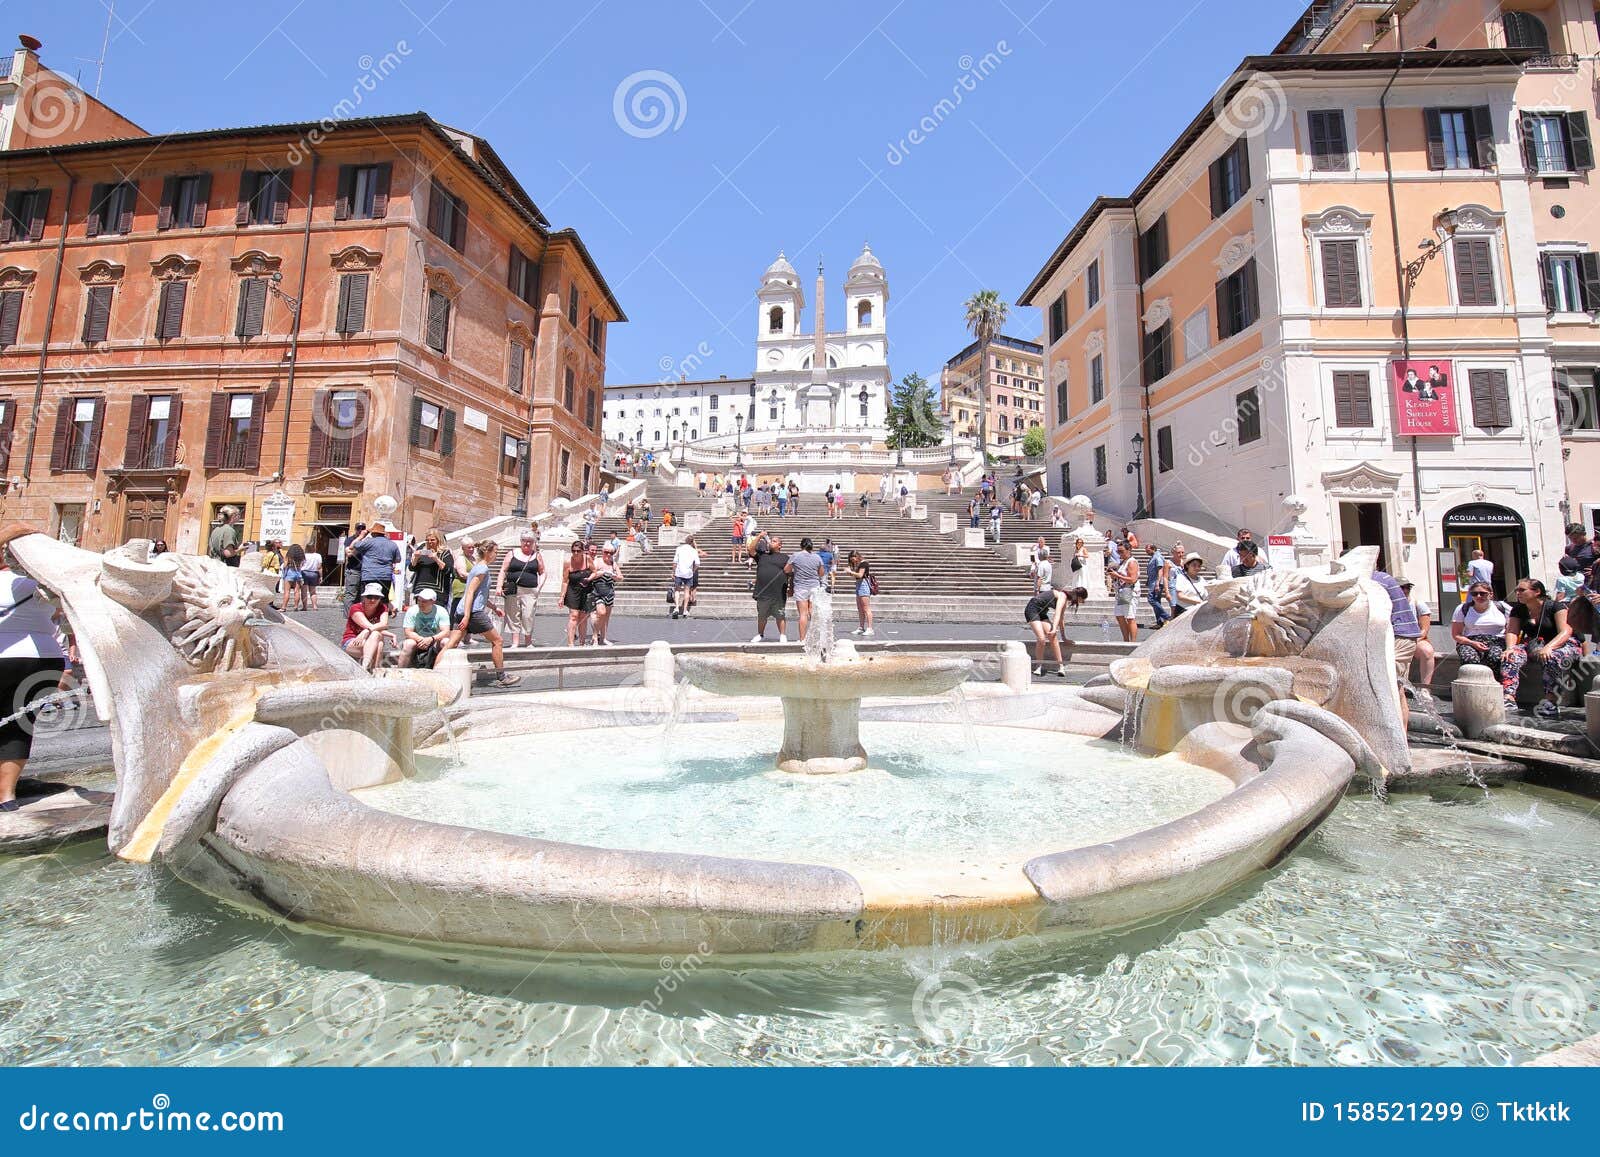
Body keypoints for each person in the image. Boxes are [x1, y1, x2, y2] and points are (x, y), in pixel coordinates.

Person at [0, 552, 69, 812]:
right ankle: (6, 797)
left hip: (3, 653)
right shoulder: (40, 585)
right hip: (46, 659)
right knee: (19, 725)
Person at [1502, 578, 1580, 717]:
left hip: (1562, 643)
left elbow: (1565, 631)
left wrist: (1550, 647)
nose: (1517, 593)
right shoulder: (1518, 609)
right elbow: (1512, 631)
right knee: (1511, 655)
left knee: (1552, 657)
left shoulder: (1555, 606)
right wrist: (1509, 648)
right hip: (1535, 644)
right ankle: (1509, 697)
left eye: (1522, 590)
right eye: (1516, 590)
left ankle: (1551, 700)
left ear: (1537, 591)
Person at [451, 542, 520, 687]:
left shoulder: (478, 567)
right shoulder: (482, 568)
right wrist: (468, 616)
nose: (497, 554)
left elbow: (479, 594)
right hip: (473, 612)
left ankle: (434, 668)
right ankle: (502, 676)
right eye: (495, 551)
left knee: (452, 643)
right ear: (488, 552)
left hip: (464, 610)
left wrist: (494, 608)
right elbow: (470, 592)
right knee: (498, 641)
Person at [1371, 569, 1422, 730]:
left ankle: (1399, 743)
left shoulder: (1373, 581)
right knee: (1396, 688)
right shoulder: (1379, 578)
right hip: (1400, 635)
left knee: (1389, 686)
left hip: (1399, 636)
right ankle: (1402, 741)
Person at [1452, 581, 1511, 679]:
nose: (1478, 596)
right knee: (1469, 659)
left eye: (1482, 593)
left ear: (1491, 594)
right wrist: (1472, 643)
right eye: (1474, 594)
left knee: (1495, 657)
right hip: (1469, 641)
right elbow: (1456, 634)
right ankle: (1471, 686)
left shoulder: (1502, 607)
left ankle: (1494, 684)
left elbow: (1512, 628)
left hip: (1497, 641)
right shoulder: (1463, 608)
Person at [497, 531, 544, 648]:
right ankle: (515, 642)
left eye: (530, 541)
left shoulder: (536, 555)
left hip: (530, 590)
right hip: (513, 589)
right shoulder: (511, 553)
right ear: (520, 541)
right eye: (524, 541)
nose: (527, 543)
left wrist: (539, 586)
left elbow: (542, 572)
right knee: (513, 614)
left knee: (528, 615)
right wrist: (499, 586)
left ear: (533, 543)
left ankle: (528, 641)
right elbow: (503, 570)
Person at [1024, 585, 1081, 679]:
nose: (1082, 602)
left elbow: (1061, 619)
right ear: (1078, 597)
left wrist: (1064, 637)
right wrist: (1054, 628)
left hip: (1042, 613)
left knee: (1053, 637)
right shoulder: (1063, 596)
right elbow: (1057, 614)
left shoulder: (1065, 601)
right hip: (1032, 609)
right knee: (1041, 638)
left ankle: (1061, 666)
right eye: (1082, 599)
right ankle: (1038, 666)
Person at [342, 583, 394, 671]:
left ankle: (368, 668)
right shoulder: (355, 608)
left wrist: (366, 631)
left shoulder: (383, 607)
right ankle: (370, 669)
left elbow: (384, 624)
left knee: (378, 639)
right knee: (377, 637)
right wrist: (390, 634)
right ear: (364, 597)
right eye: (369, 596)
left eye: (376, 597)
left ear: (380, 599)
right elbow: (369, 626)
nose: (373, 600)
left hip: (370, 641)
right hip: (353, 641)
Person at [1398, 577, 1437, 693]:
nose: (1405, 590)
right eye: (1401, 587)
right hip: (1395, 640)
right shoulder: (1388, 604)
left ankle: (1425, 688)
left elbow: (1424, 630)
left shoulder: (1418, 604)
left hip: (1416, 639)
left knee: (1427, 651)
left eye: (1407, 587)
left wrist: (1411, 641)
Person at [750, 531, 790, 643]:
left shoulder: (785, 558)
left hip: (778, 592)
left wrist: (791, 588)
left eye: (774, 541)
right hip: (763, 591)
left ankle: (782, 635)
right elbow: (751, 549)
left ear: (780, 545)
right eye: (770, 540)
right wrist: (759, 536)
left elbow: (790, 573)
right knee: (762, 615)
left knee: (780, 615)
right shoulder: (762, 555)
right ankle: (760, 634)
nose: (771, 542)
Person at [399, 588, 453, 670]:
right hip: (417, 640)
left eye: (424, 601)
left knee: (446, 642)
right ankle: (400, 671)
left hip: (434, 640)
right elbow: (408, 632)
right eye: (419, 600)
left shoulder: (441, 611)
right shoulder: (412, 610)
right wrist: (421, 640)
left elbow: (446, 632)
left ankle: (443, 670)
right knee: (408, 644)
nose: (420, 603)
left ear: (433, 601)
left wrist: (431, 639)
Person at [786, 536, 826, 642]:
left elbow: (786, 570)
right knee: (813, 613)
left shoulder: (796, 555)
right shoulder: (817, 557)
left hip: (801, 587)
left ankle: (802, 639)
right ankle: (817, 638)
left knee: (803, 615)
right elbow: (821, 573)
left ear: (801, 545)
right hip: (814, 586)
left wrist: (796, 570)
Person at [349, 520, 401, 601]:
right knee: (383, 601)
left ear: (373, 533)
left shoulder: (369, 542)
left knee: (368, 601)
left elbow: (352, 546)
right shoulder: (392, 544)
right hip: (385, 576)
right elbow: (398, 559)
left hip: (369, 576)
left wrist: (361, 536)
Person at [408, 530, 454, 613]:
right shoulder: (422, 550)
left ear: (438, 540)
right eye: (427, 540)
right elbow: (412, 568)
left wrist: (436, 559)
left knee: (435, 617)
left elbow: (448, 570)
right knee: (420, 615)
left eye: (432, 540)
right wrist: (416, 558)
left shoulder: (444, 553)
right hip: (420, 589)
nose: (430, 542)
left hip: (437, 591)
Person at [588, 542, 623, 646]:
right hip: (597, 592)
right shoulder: (597, 562)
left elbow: (621, 577)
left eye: (611, 553)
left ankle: (603, 638)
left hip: (609, 593)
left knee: (606, 617)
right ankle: (595, 636)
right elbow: (591, 575)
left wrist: (614, 576)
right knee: (601, 613)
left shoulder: (613, 563)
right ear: (602, 552)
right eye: (606, 552)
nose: (608, 555)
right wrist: (602, 573)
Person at [561, 543, 593, 647]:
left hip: (585, 589)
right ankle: (570, 643)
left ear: (583, 551)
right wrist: (562, 597)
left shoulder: (588, 559)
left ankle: (582, 643)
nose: (576, 553)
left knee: (583, 617)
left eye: (578, 551)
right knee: (573, 616)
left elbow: (595, 572)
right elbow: (565, 581)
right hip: (572, 590)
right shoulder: (567, 562)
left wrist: (589, 579)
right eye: (573, 550)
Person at [1109, 548, 1139, 642]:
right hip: (1122, 591)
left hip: (1129, 590)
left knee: (1130, 617)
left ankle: (1133, 642)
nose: (1119, 553)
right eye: (1118, 551)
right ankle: (1126, 640)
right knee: (1119, 615)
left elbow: (1132, 579)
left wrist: (1117, 575)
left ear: (1128, 550)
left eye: (1121, 551)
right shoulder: (1123, 562)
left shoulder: (1132, 562)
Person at [847, 550, 876, 637]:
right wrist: (850, 572)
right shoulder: (859, 564)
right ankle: (861, 627)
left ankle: (870, 628)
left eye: (854, 559)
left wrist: (850, 571)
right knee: (860, 609)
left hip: (863, 586)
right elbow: (856, 576)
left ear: (857, 556)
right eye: (852, 560)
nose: (853, 561)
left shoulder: (864, 564)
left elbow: (860, 575)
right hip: (859, 585)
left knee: (866, 608)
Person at [671, 534, 700, 620]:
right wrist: (693, 570)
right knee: (687, 591)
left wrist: (673, 572)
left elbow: (675, 562)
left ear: (685, 541)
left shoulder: (679, 549)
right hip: (688, 573)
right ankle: (684, 610)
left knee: (677, 590)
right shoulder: (694, 551)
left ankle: (676, 608)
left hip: (679, 572)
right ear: (692, 542)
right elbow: (698, 563)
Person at [1145, 542, 1171, 628]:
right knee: (1156, 601)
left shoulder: (1158, 557)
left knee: (1151, 599)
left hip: (1156, 582)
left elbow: (1160, 569)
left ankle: (1166, 616)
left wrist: (1157, 583)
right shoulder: (1153, 557)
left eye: (1147, 550)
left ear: (1153, 549)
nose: (1146, 552)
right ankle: (1159, 622)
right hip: (1152, 581)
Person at [281, 543, 307, 611]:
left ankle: (284, 607)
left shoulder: (289, 556)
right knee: (297, 591)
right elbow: (302, 565)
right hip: (298, 573)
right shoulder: (301, 556)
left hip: (290, 572)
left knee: (287, 591)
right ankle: (296, 607)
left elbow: (285, 565)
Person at [300, 541, 323, 610]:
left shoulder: (304, 555)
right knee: (313, 591)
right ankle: (315, 606)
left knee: (304, 591)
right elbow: (319, 567)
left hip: (304, 573)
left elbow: (301, 565)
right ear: (314, 547)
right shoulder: (318, 555)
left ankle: (304, 607)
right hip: (314, 573)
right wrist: (321, 576)